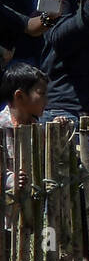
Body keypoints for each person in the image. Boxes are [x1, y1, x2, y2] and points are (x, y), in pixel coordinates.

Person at [1, 64, 47, 222]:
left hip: (32, 216)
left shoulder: (38, 128)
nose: (46, 100)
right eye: (41, 93)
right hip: (6, 218)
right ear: (19, 96)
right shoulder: (0, 126)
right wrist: (10, 180)